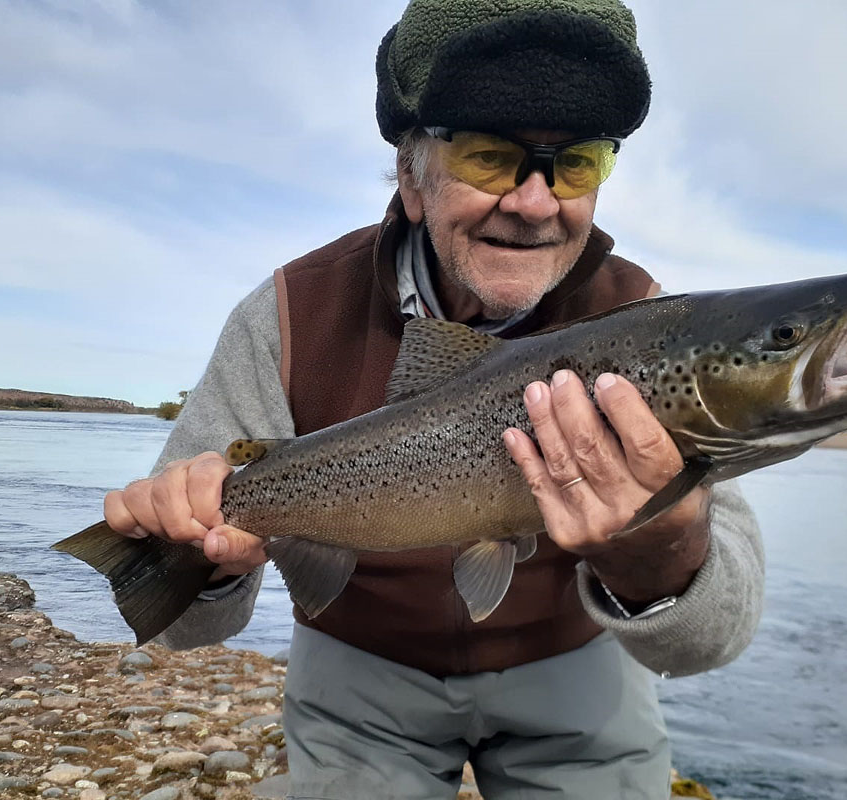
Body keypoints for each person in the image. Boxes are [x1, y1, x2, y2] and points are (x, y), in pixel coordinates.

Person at [102, 1, 764, 797]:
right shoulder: (287, 315)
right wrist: (207, 567)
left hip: (572, 663)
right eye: (490, 156)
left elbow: (707, 644)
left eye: (576, 162)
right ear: (412, 181)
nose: (533, 201)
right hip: (360, 673)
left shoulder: (652, 327)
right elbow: (177, 623)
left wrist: (661, 554)